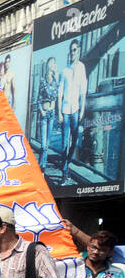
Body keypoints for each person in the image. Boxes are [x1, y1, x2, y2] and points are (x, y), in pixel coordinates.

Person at [58, 39, 87, 182]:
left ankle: (67, 162)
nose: (72, 52)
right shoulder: (65, 70)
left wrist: (82, 110)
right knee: (64, 143)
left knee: (74, 141)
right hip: (65, 110)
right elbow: (60, 92)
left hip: (75, 109)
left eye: (75, 49)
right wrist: (58, 112)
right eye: (71, 50)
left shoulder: (82, 68)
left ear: (79, 51)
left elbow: (83, 91)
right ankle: (64, 173)